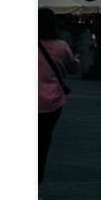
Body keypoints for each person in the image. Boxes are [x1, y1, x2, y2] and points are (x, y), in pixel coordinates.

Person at [38, 9, 79, 184]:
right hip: (52, 102)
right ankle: (38, 183)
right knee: (43, 142)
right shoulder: (62, 46)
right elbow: (73, 69)